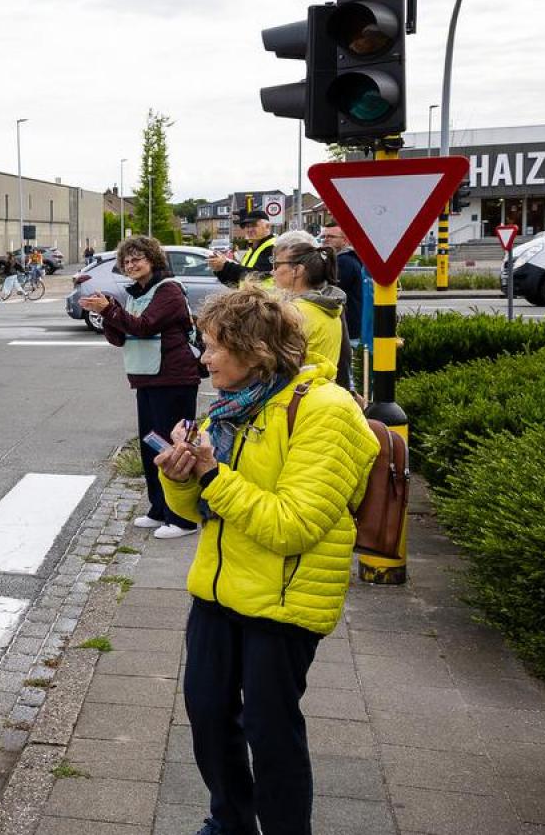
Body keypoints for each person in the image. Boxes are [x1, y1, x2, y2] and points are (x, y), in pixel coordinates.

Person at [153, 286, 377, 835]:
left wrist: (211, 474)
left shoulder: (326, 411)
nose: (203, 358)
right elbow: (201, 511)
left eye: (212, 347)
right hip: (218, 590)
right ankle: (230, 821)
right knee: (207, 715)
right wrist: (179, 475)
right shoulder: (230, 408)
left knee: (271, 731)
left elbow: (292, 525)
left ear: (255, 350)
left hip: (285, 599)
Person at [78, 235, 200, 540]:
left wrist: (110, 311)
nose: (132, 265)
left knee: (175, 447)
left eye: (138, 259)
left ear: (153, 260)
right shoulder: (136, 292)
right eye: (127, 261)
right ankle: (159, 509)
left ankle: (184, 517)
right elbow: (121, 337)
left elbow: (144, 327)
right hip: (147, 378)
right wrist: (108, 314)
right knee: (152, 445)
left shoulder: (168, 290)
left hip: (173, 378)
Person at [270, 230, 353, 391]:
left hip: (291, 402)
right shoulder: (330, 306)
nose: (272, 271)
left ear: (298, 270)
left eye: (276, 264)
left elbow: (269, 368)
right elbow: (343, 359)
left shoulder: (290, 313)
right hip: (323, 398)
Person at [319, 224, 370, 352]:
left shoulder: (344, 262)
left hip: (347, 327)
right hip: (349, 326)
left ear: (345, 240)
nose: (326, 239)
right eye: (324, 236)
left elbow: (331, 292)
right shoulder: (345, 259)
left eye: (331, 236)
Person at [207, 209, 276, 288]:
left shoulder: (274, 247)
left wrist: (225, 265)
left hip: (267, 298)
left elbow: (257, 274)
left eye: (254, 225)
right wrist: (220, 270)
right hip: (251, 298)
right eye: (247, 226)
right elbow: (239, 279)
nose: (249, 229)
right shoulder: (252, 250)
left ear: (267, 226)